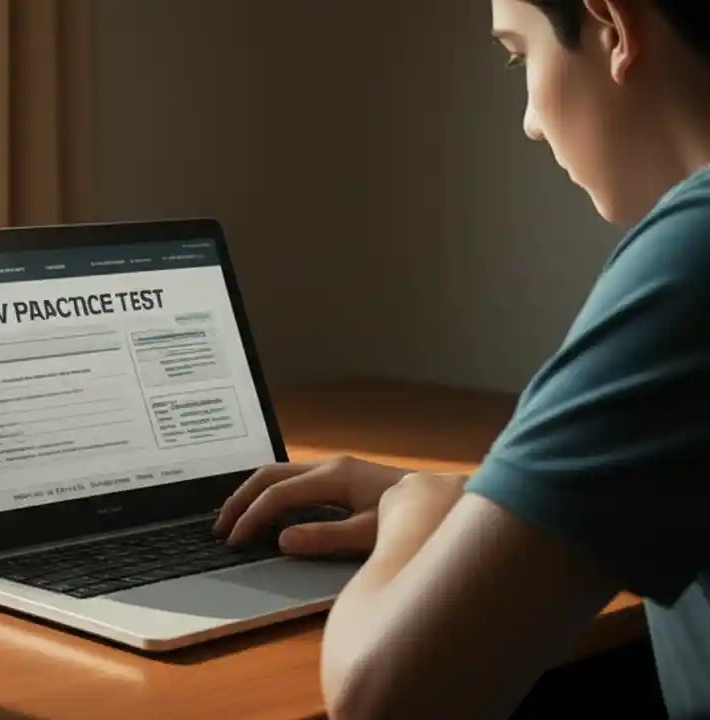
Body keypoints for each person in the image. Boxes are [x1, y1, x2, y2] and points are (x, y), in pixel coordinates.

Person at [214, 0, 710, 718]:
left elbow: (380, 698)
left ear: (614, 27)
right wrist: (492, 498)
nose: (531, 123)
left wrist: (417, 509)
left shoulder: (693, 259)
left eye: (518, 54)